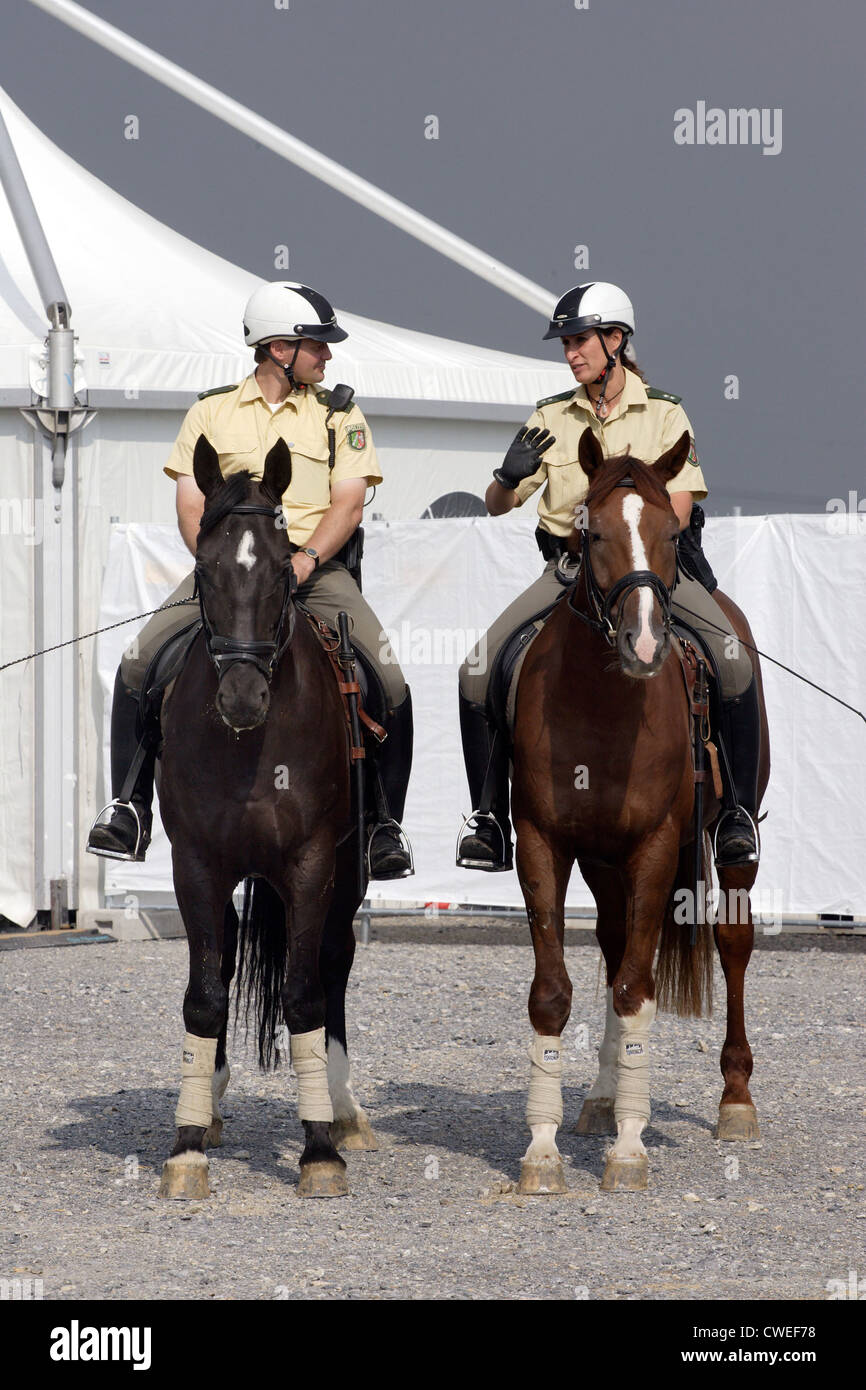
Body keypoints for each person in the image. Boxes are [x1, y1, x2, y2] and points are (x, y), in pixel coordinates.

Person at [87, 281, 413, 879]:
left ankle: (383, 826)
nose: (328, 356)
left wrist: (306, 560)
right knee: (137, 662)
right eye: (318, 344)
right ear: (278, 348)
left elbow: (348, 504)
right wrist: (219, 568)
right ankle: (129, 806)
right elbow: (190, 506)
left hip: (314, 570)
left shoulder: (339, 415)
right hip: (227, 576)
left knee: (387, 675)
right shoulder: (210, 411)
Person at [456, 280, 761, 872]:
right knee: (476, 669)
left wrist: (635, 552)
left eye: (580, 341)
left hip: (651, 571)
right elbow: (498, 504)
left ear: (616, 340)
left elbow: (678, 506)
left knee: (732, 659)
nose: (571, 353)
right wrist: (503, 474)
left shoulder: (665, 412)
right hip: (569, 570)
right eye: (566, 343)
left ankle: (736, 815)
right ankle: (490, 820)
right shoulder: (549, 415)